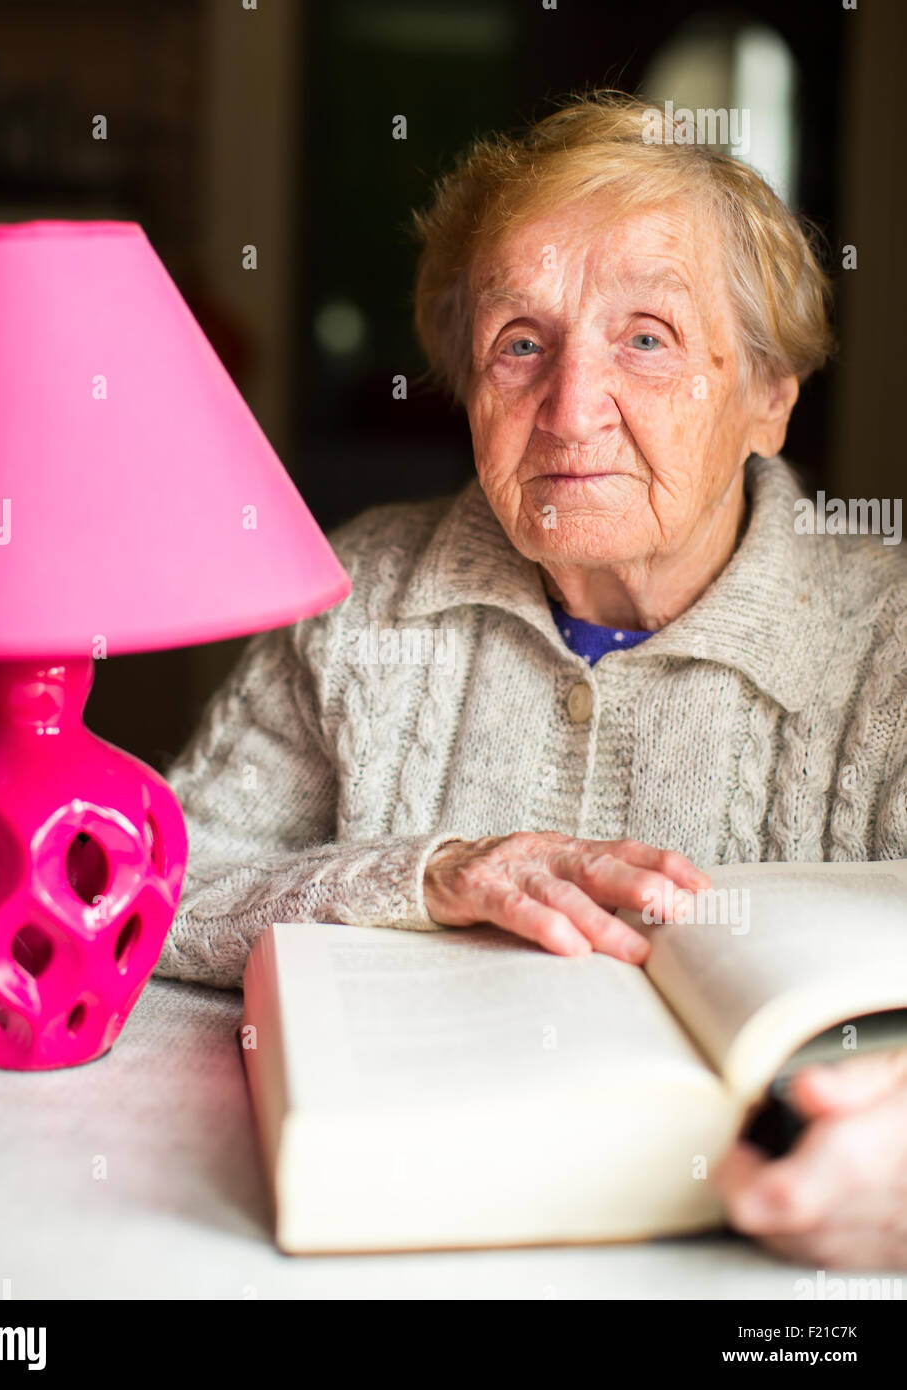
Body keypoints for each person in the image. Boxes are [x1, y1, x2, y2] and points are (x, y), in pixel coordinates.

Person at [154, 92, 907, 1267]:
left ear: (768, 395)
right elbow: (159, 893)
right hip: (388, 1240)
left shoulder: (888, 641)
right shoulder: (362, 599)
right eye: (520, 342)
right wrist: (434, 874)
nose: (567, 409)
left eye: (645, 337)